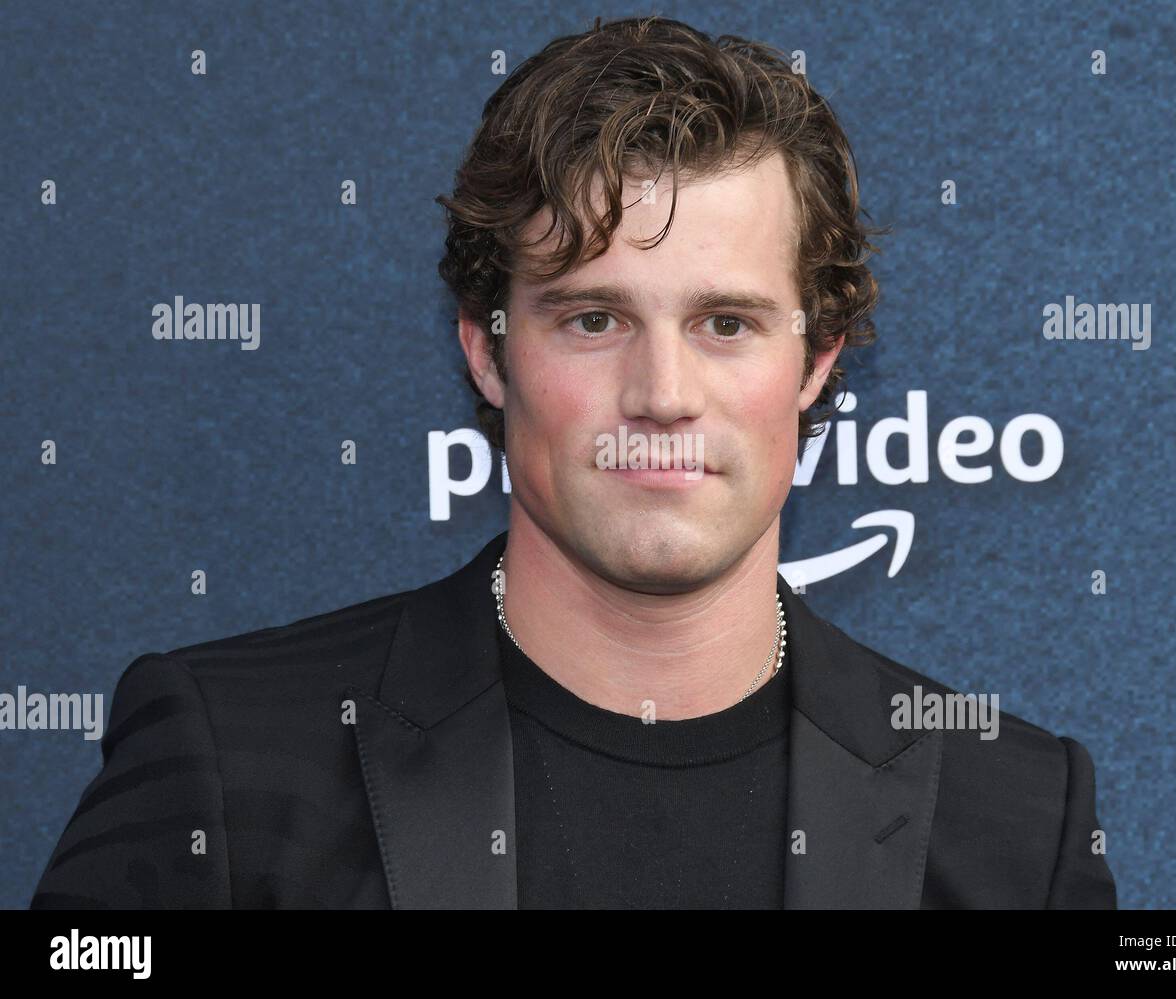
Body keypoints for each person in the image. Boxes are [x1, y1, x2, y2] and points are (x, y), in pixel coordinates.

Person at [31, 15, 1116, 909]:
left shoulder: (1012, 816)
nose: (660, 394)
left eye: (726, 324)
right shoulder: (231, 766)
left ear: (817, 361)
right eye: (594, 319)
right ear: (488, 351)